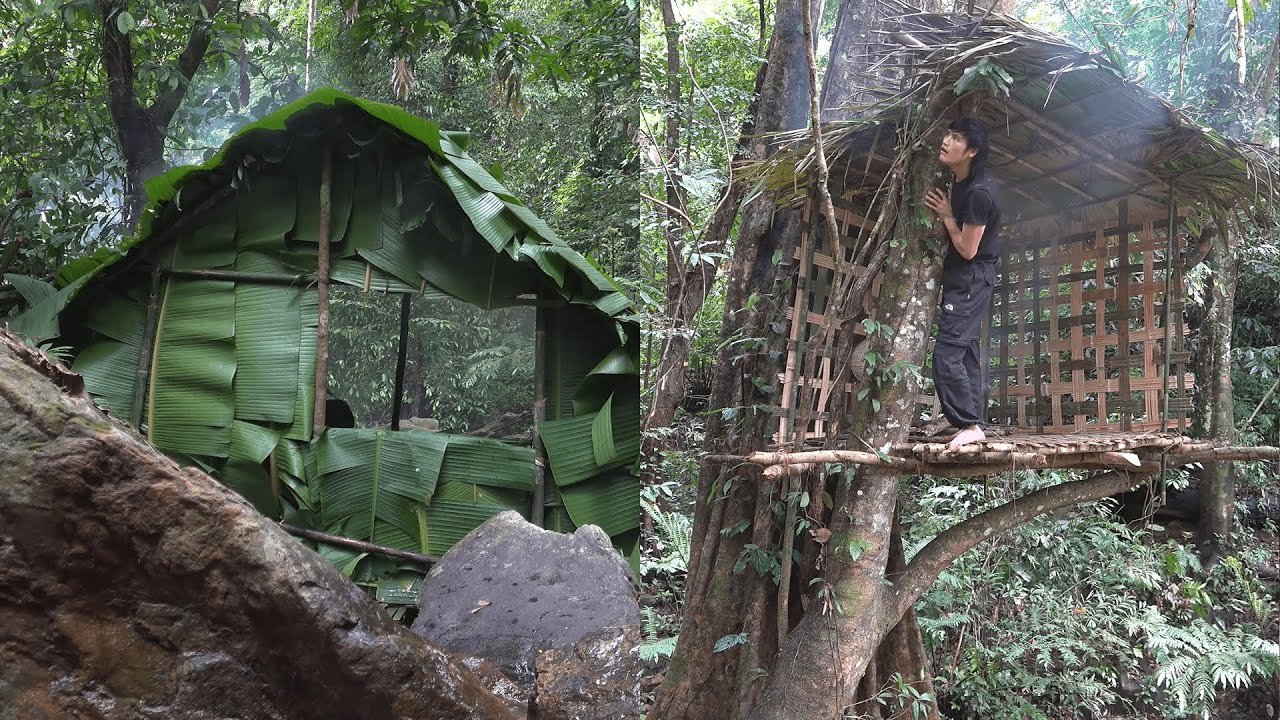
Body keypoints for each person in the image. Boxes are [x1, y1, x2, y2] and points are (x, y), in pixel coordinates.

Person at [923, 118, 1000, 450]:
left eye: (955, 138)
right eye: (947, 134)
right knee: (965, 350)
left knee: (946, 353)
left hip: (971, 277)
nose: (945, 141)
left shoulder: (978, 193)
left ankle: (967, 422)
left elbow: (968, 250)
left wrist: (946, 216)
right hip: (966, 280)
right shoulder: (963, 183)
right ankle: (974, 423)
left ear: (970, 151)